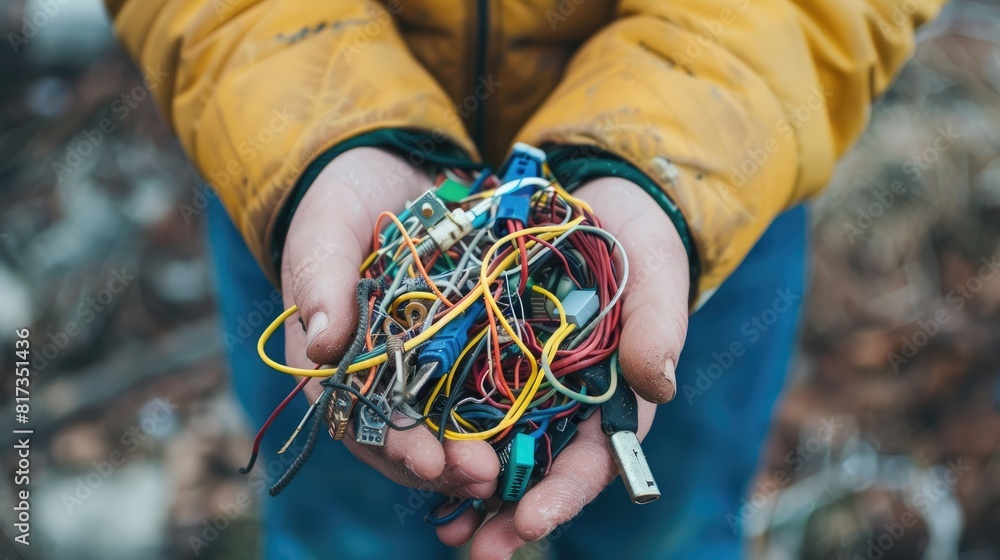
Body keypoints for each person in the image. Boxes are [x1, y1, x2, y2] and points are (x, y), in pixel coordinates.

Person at [106, 0, 945, 557]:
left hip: (702, 189)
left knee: (667, 532)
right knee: (345, 527)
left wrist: (664, 158)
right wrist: (315, 138)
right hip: (301, 187)